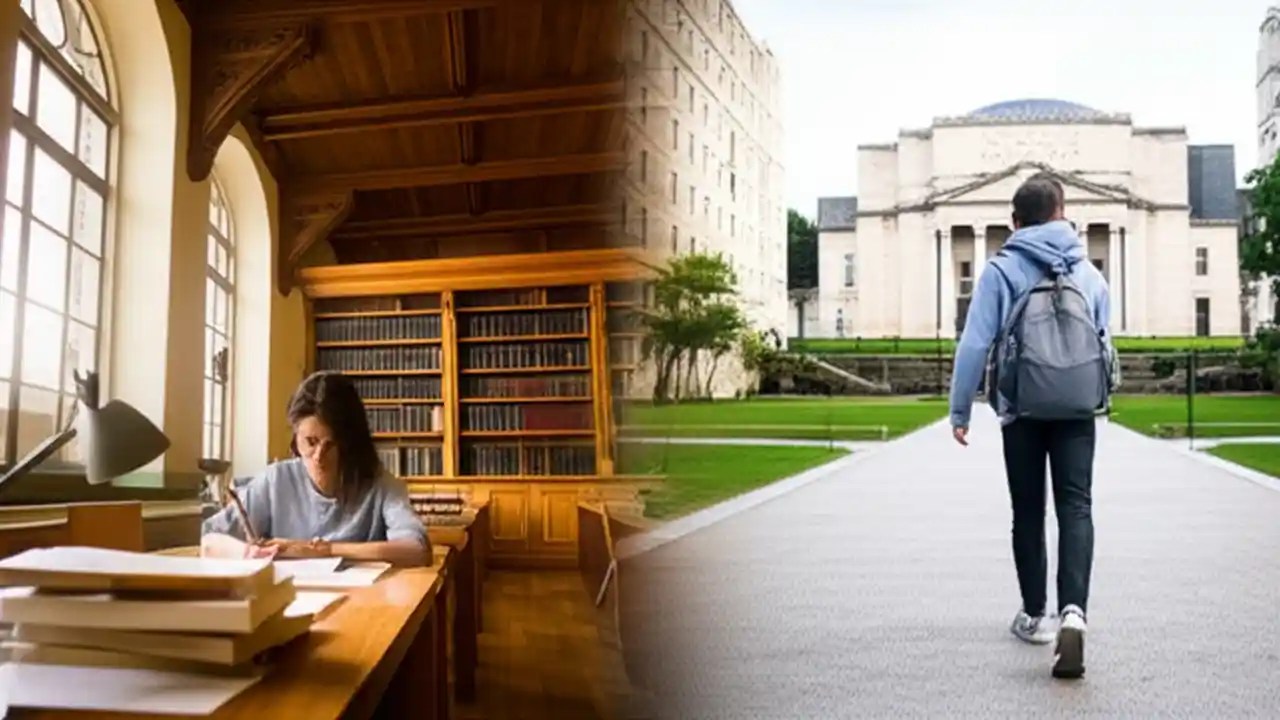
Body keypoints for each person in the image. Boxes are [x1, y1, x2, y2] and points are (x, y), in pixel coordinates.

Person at [948, 174, 1115, 680]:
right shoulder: (1089, 273)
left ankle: (1034, 615)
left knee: (1028, 508)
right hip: (1077, 407)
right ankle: (1075, 613)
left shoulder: (1001, 270)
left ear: (1014, 222)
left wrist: (960, 411)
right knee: (1076, 505)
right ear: (1063, 213)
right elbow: (1105, 342)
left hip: (1020, 407)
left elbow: (975, 344)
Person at [202, 371, 431, 567]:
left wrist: (325, 550)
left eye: (330, 444)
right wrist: (247, 553)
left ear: (350, 444)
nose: (318, 457)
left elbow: (417, 550)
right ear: (296, 437)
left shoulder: (379, 484)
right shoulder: (275, 481)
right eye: (310, 442)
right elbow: (210, 539)